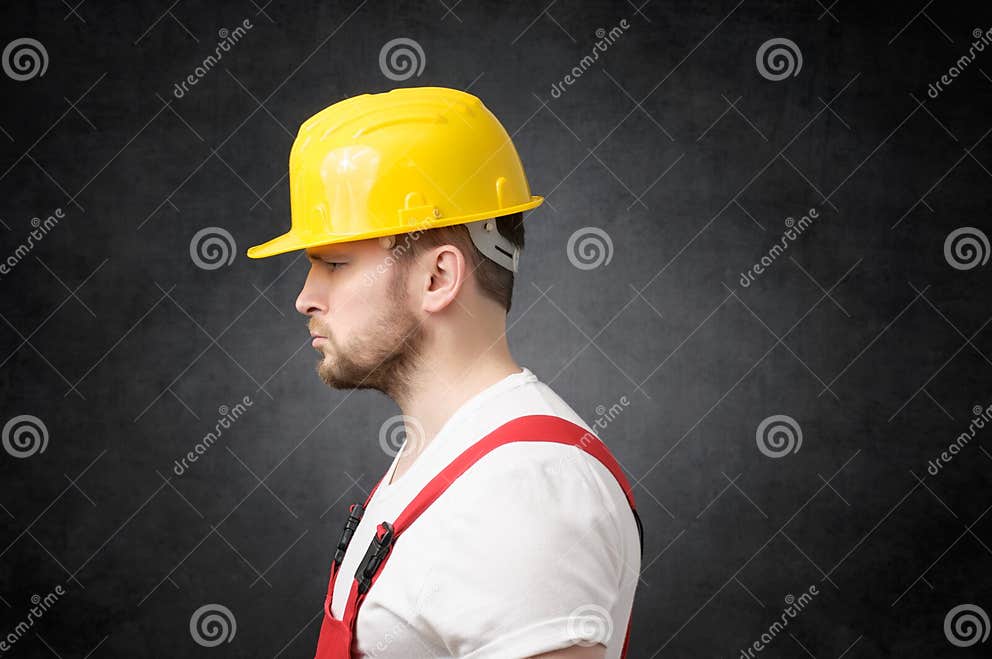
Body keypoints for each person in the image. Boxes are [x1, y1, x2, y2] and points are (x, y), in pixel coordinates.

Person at [247, 86, 642, 659]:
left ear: (437, 278)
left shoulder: (523, 491)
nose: (305, 297)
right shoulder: (449, 457)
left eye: (334, 263)